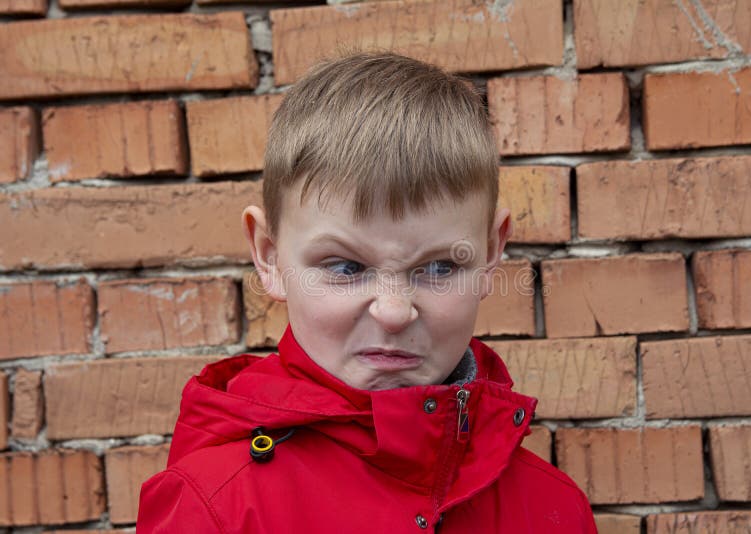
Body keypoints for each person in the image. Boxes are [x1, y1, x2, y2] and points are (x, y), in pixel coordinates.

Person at [137, 50, 597, 533]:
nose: (395, 312)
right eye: (346, 266)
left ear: (490, 253)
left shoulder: (555, 508)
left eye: (439, 266)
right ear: (270, 256)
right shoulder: (212, 506)